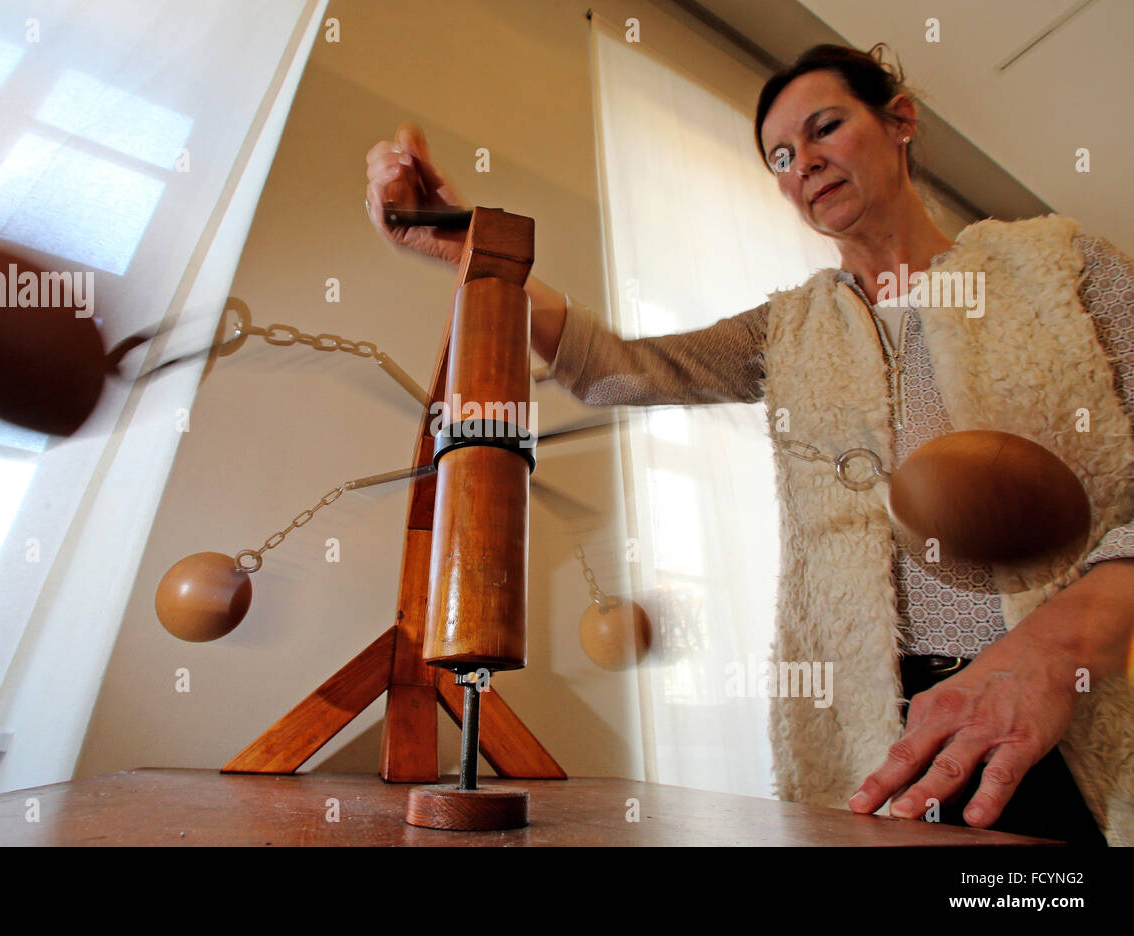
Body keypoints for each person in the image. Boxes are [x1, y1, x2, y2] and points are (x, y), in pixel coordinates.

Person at [364, 43, 1134, 845]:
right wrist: (473, 249)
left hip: (1072, 699)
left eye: (825, 127)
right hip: (883, 728)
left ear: (900, 120)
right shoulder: (790, 327)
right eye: (780, 155)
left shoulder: (1060, 269)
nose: (804, 162)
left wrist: (1055, 649)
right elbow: (624, 372)